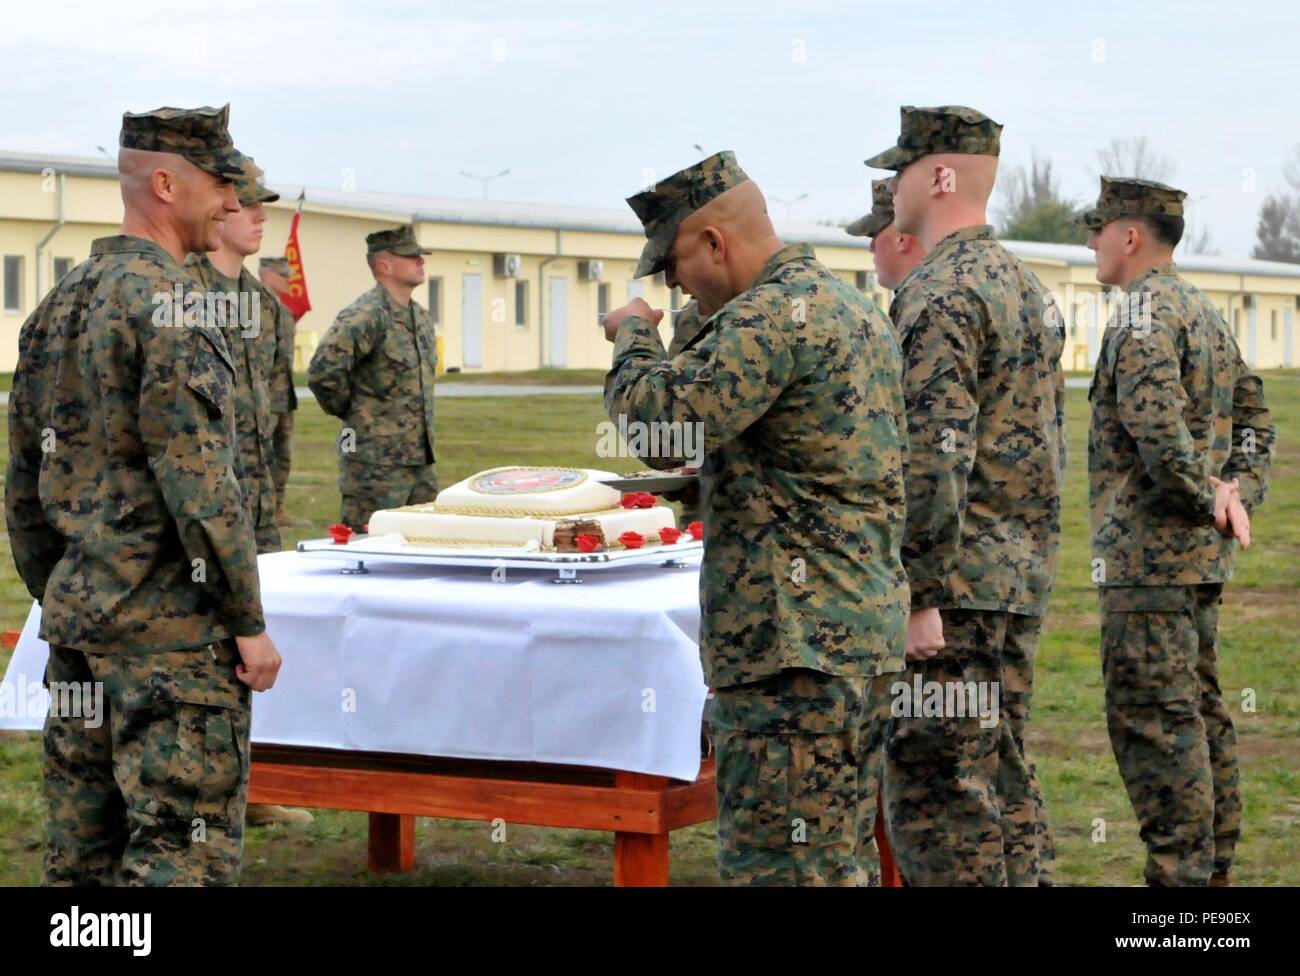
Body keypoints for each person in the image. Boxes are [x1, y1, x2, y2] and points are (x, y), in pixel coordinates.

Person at [603, 151, 909, 885]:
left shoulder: (771, 316)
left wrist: (633, 335)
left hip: (792, 650)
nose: (673, 283)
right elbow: (813, 460)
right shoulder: (849, 307)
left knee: (782, 866)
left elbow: (659, 425)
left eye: (673, 264)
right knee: (837, 861)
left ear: (714, 242)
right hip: (854, 635)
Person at [5, 105, 280, 886]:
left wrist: (66, 589)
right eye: (220, 187)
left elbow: (22, 484)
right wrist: (245, 620)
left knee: (82, 853)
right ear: (165, 184)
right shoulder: (177, 305)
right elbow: (200, 485)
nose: (233, 205)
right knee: (178, 850)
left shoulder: (60, 304)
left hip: (81, 630)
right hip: (171, 648)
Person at [866, 105, 1063, 886]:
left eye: (902, 169)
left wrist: (915, 593)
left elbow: (932, 460)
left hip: (952, 598)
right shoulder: (1023, 285)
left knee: (941, 804)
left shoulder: (941, 291)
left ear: (939, 176)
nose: (890, 186)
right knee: (1001, 786)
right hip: (1011, 584)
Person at [1078, 176, 1274, 886]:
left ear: (1130, 236)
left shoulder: (1143, 316)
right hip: (1194, 564)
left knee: (1159, 730)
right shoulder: (1202, 311)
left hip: (1148, 567)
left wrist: (1212, 495)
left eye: (1095, 229)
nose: (1089, 242)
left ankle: (1181, 897)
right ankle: (1210, 877)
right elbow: (1256, 420)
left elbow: (1158, 435)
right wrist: (1232, 496)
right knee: (1198, 716)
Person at [307, 225, 438, 531]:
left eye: (420, 256)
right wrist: (354, 411)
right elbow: (323, 371)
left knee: (424, 546)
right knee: (370, 549)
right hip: (374, 465)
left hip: (420, 462)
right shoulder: (366, 315)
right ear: (384, 266)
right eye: (411, 256)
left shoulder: (419, 318)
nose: (421, 262)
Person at [258, 255, 307, 528]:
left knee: (282, 455)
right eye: (282, 276)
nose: (289, 282)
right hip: (263, 398)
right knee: (260, 457)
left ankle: (278, 507)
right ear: (266, 275)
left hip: (283, 396)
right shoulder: (254, 307)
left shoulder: (285, 312)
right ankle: (261, 509)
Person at [846, 178, 926, 292]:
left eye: (874, 235)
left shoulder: (924, 300)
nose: (871, 247)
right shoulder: (935, 289)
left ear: (902, 239)